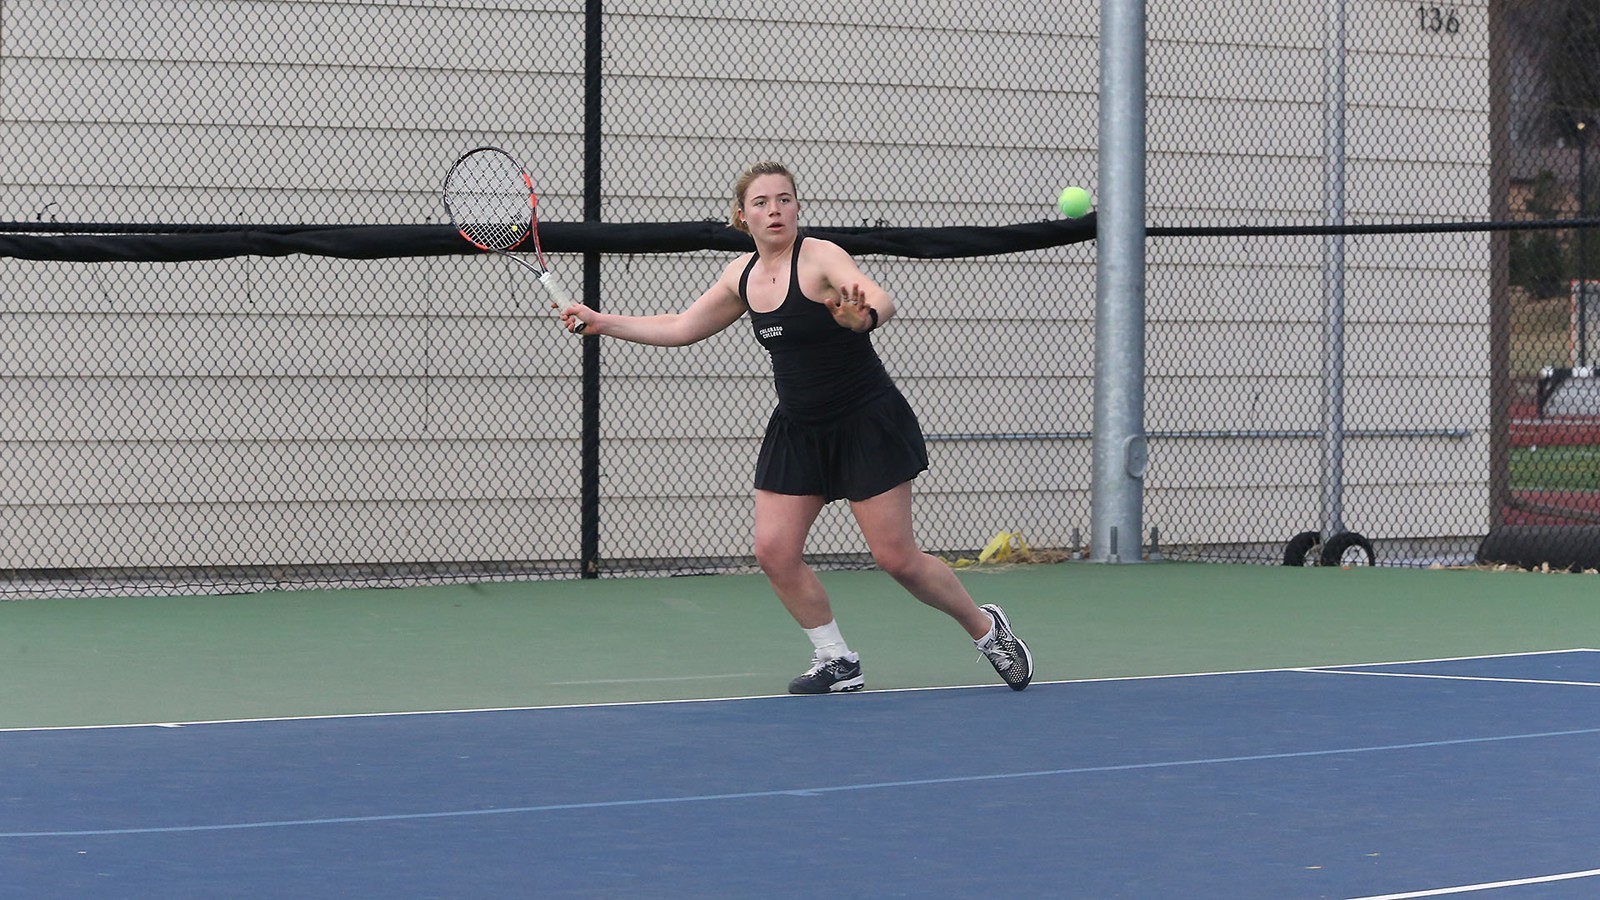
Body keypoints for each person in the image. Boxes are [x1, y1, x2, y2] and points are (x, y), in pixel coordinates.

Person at [557, 161, 1032, 694]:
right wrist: (604, 322)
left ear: (797, 207)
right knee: (774, 551)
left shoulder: (821, 257)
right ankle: (836, 660)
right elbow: (682, 326)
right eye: (761, 203)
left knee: (897, 559)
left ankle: (986, 629)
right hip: (799, 428)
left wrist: (864, 317)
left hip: (864, 421)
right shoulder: (740, 276)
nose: (774, 210)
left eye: (784, 199)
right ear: (743, 216)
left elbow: (877, 296)